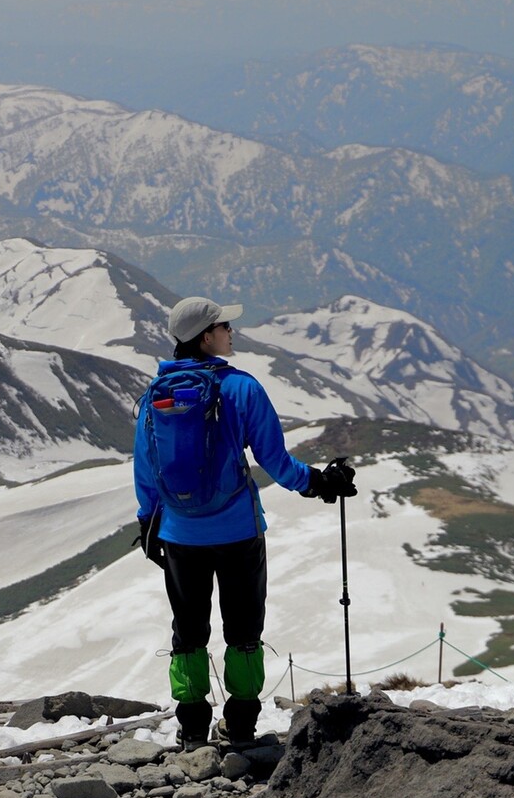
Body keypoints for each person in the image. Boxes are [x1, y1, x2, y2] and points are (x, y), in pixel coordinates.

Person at [134, 296, 356, 749]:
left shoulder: (155, 394)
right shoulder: (242, 388)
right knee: (244, 630)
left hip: (178, 532)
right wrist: (316, 483)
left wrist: (148, 521)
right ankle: (240, 723)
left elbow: (145, 465)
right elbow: (273, 459)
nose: (232, 331)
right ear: (205, 337)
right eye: (224, 325)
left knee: (188, 630)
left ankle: (192, 725)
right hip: (238, 531)